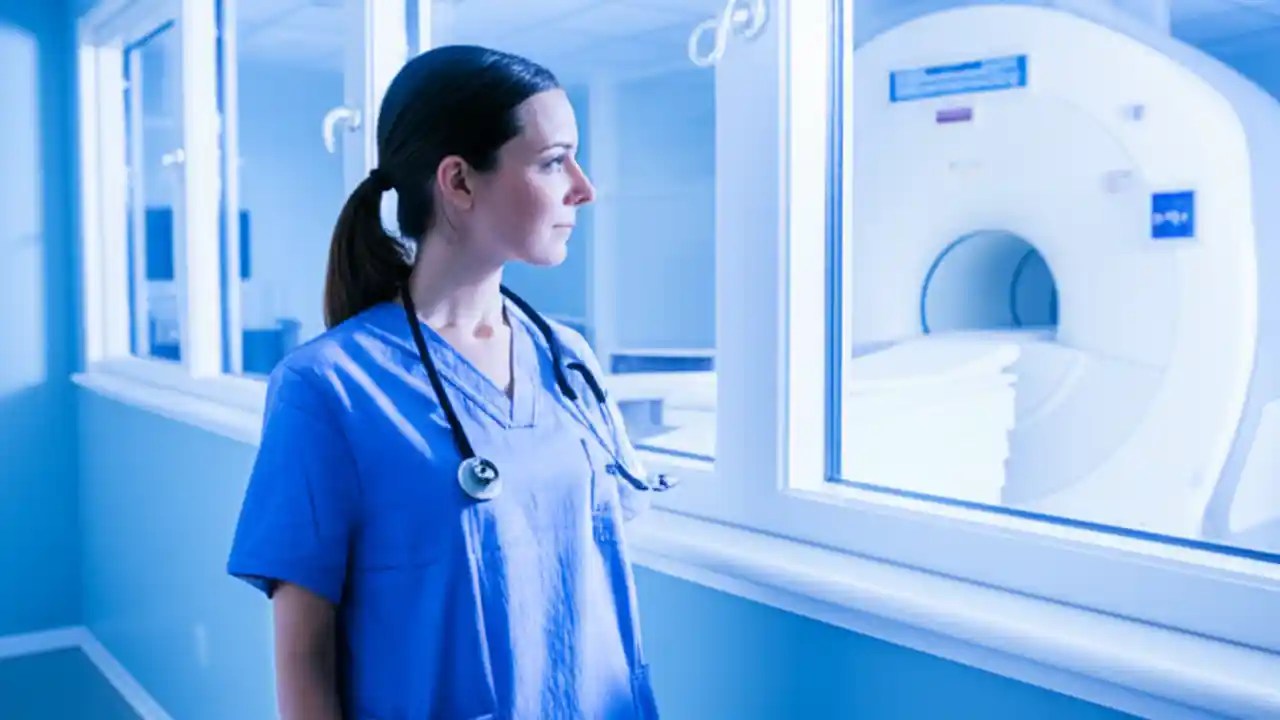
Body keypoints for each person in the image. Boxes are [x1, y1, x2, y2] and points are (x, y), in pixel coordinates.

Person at [226, 44, 669, 720]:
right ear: (459, 183)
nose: (584, 187)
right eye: (554, 161)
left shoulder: (568, 360)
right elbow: (303, 658)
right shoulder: (326, 389)